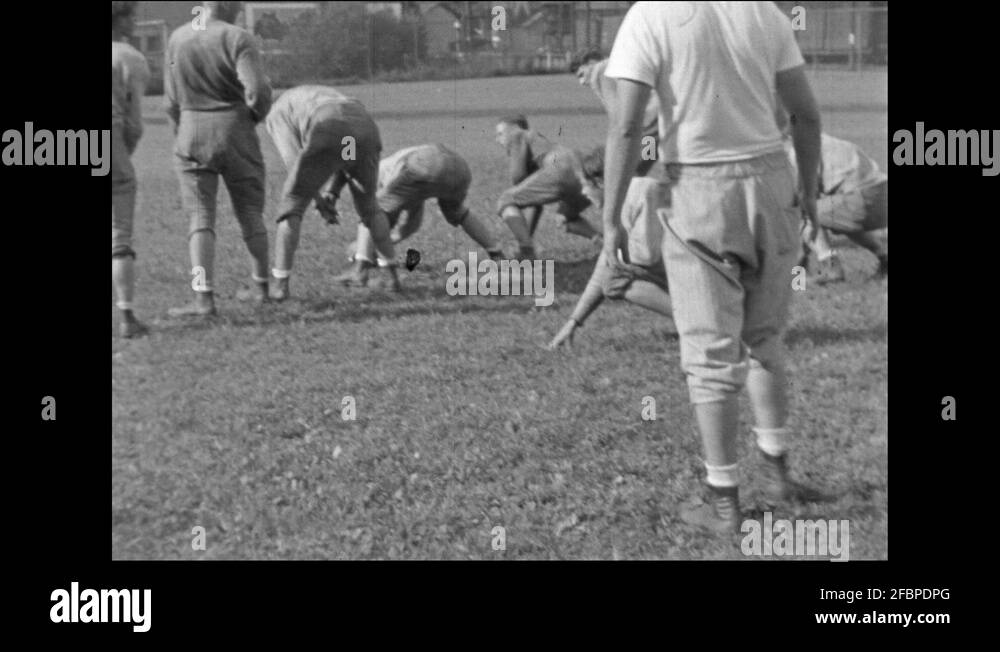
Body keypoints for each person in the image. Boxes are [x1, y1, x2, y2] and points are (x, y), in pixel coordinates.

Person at [602, 1, 824, 534]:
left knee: (710, 354)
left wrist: (610, 220)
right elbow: (806, 113)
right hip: (771, 181)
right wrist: (810, 196)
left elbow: (627, 126)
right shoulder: (763, 12)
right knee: (764, 339)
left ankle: (723, 502)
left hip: (698, 188)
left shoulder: (649, 16)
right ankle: (778, 476)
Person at [165, 0, 273, 318]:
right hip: (235, 128)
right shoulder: (238, 37)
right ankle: (263, 287)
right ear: (232, 8)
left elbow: (171, 100)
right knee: (251, 212)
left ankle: (203, 298)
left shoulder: (178, 38)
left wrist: (180, 132)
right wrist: (251, 118)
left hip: (190, 129)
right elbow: (257, 91)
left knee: (200, 219)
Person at [265, 85, 398, 298]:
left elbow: (294, 163)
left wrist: (318, 200)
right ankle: (392, 278)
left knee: (292, 204)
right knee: (370, 207)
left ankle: (280, 285)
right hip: (362, 124)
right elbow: (347, 156)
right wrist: (332, 194)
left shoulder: (276, 113)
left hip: (330, 125)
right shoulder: (310, 93)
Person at [344, 144, 504, 289]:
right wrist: (389, 241)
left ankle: (359, 270)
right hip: (458, 166)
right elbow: (411, 225)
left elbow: (374, 218)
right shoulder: (403, 187)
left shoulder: (377, 177)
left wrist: (364, 248)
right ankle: (497, 254)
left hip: (425, 163)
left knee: (371, 213)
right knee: (457, 212)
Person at [547, 176, 672, 349]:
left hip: (693, 268)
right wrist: (572, 323)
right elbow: (600, 275)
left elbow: (647, 255)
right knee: (611, 278)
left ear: (600, 183)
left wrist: (616, 249)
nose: (583, 193)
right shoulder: (618, 208)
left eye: (585, 186)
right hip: (678, 269)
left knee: (615, 280)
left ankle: (691, 321)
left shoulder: (641, 191)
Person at [779, 105, 888, 279]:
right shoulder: (822, 140)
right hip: (881, 196)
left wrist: (798, 271)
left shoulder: (798, 150)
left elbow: (804, 209)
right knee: (837, 216)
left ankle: (831, 269)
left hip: (862, 201)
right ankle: (884, 257)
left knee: (805, 216)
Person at [494, 115, 602, 259]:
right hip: (583, 173)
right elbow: (534, 202)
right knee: (564, 219)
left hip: (560, 167)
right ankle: (604, 241)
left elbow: (518, 177)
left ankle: (526, 251)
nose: (498, 139)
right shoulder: (538, 140)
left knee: (505, 199)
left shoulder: (517, 134)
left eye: (500, 134)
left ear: (514, 128)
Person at [112, 1, 151, 338]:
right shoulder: (128, 57)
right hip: (109, 144)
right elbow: (135, 122)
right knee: (119, 236)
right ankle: (126, 317)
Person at [571, 49, 661, 178]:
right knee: (644, 166)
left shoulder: (599, 72)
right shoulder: (620, 62)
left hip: (648, 125)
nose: (582, 82)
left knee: (630, 173)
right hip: (659, 119)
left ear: (590, 62)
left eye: (581, 74)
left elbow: (618, 117)